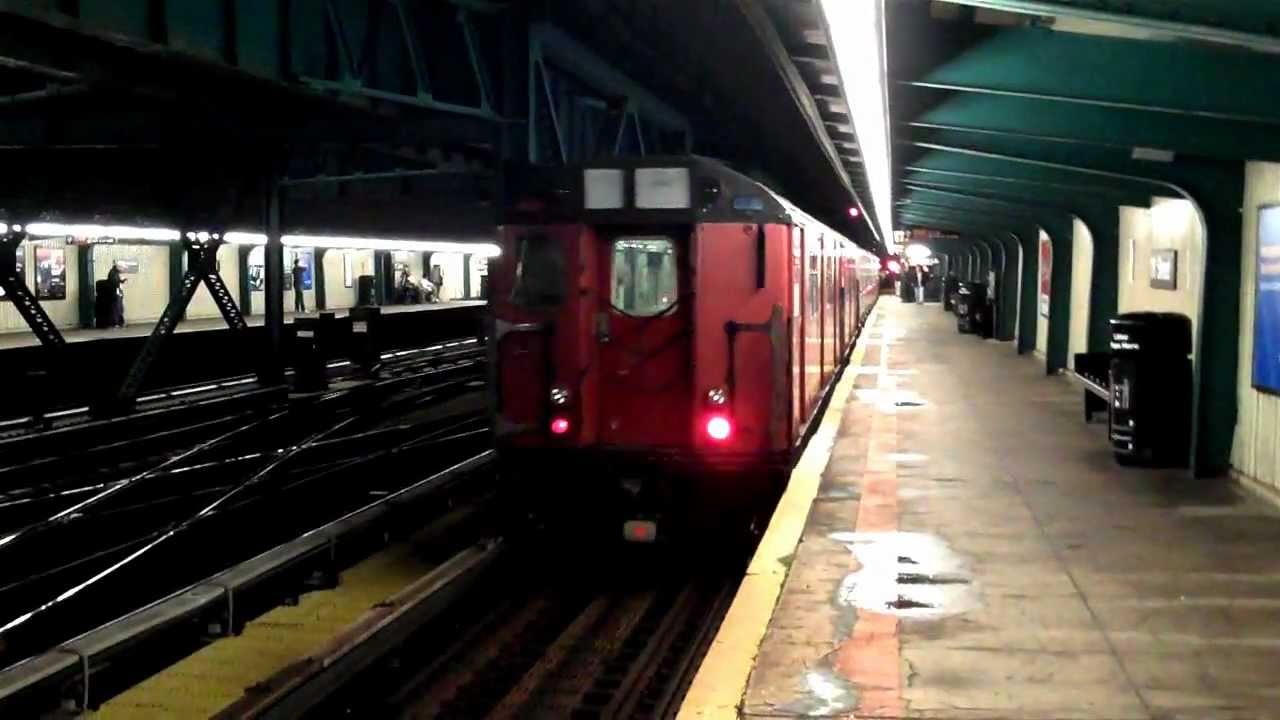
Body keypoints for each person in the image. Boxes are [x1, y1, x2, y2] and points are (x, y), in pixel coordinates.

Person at [106, 262, 127, 327]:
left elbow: (115, 281)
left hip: (117, 293)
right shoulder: (112, 273)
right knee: (116, 308)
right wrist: (120, 281)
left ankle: (119, 322)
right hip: (115, 293)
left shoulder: (115, 273)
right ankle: (116, 322)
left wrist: (121, 281)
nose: (122, 270)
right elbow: (114, 282)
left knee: (119, 308)